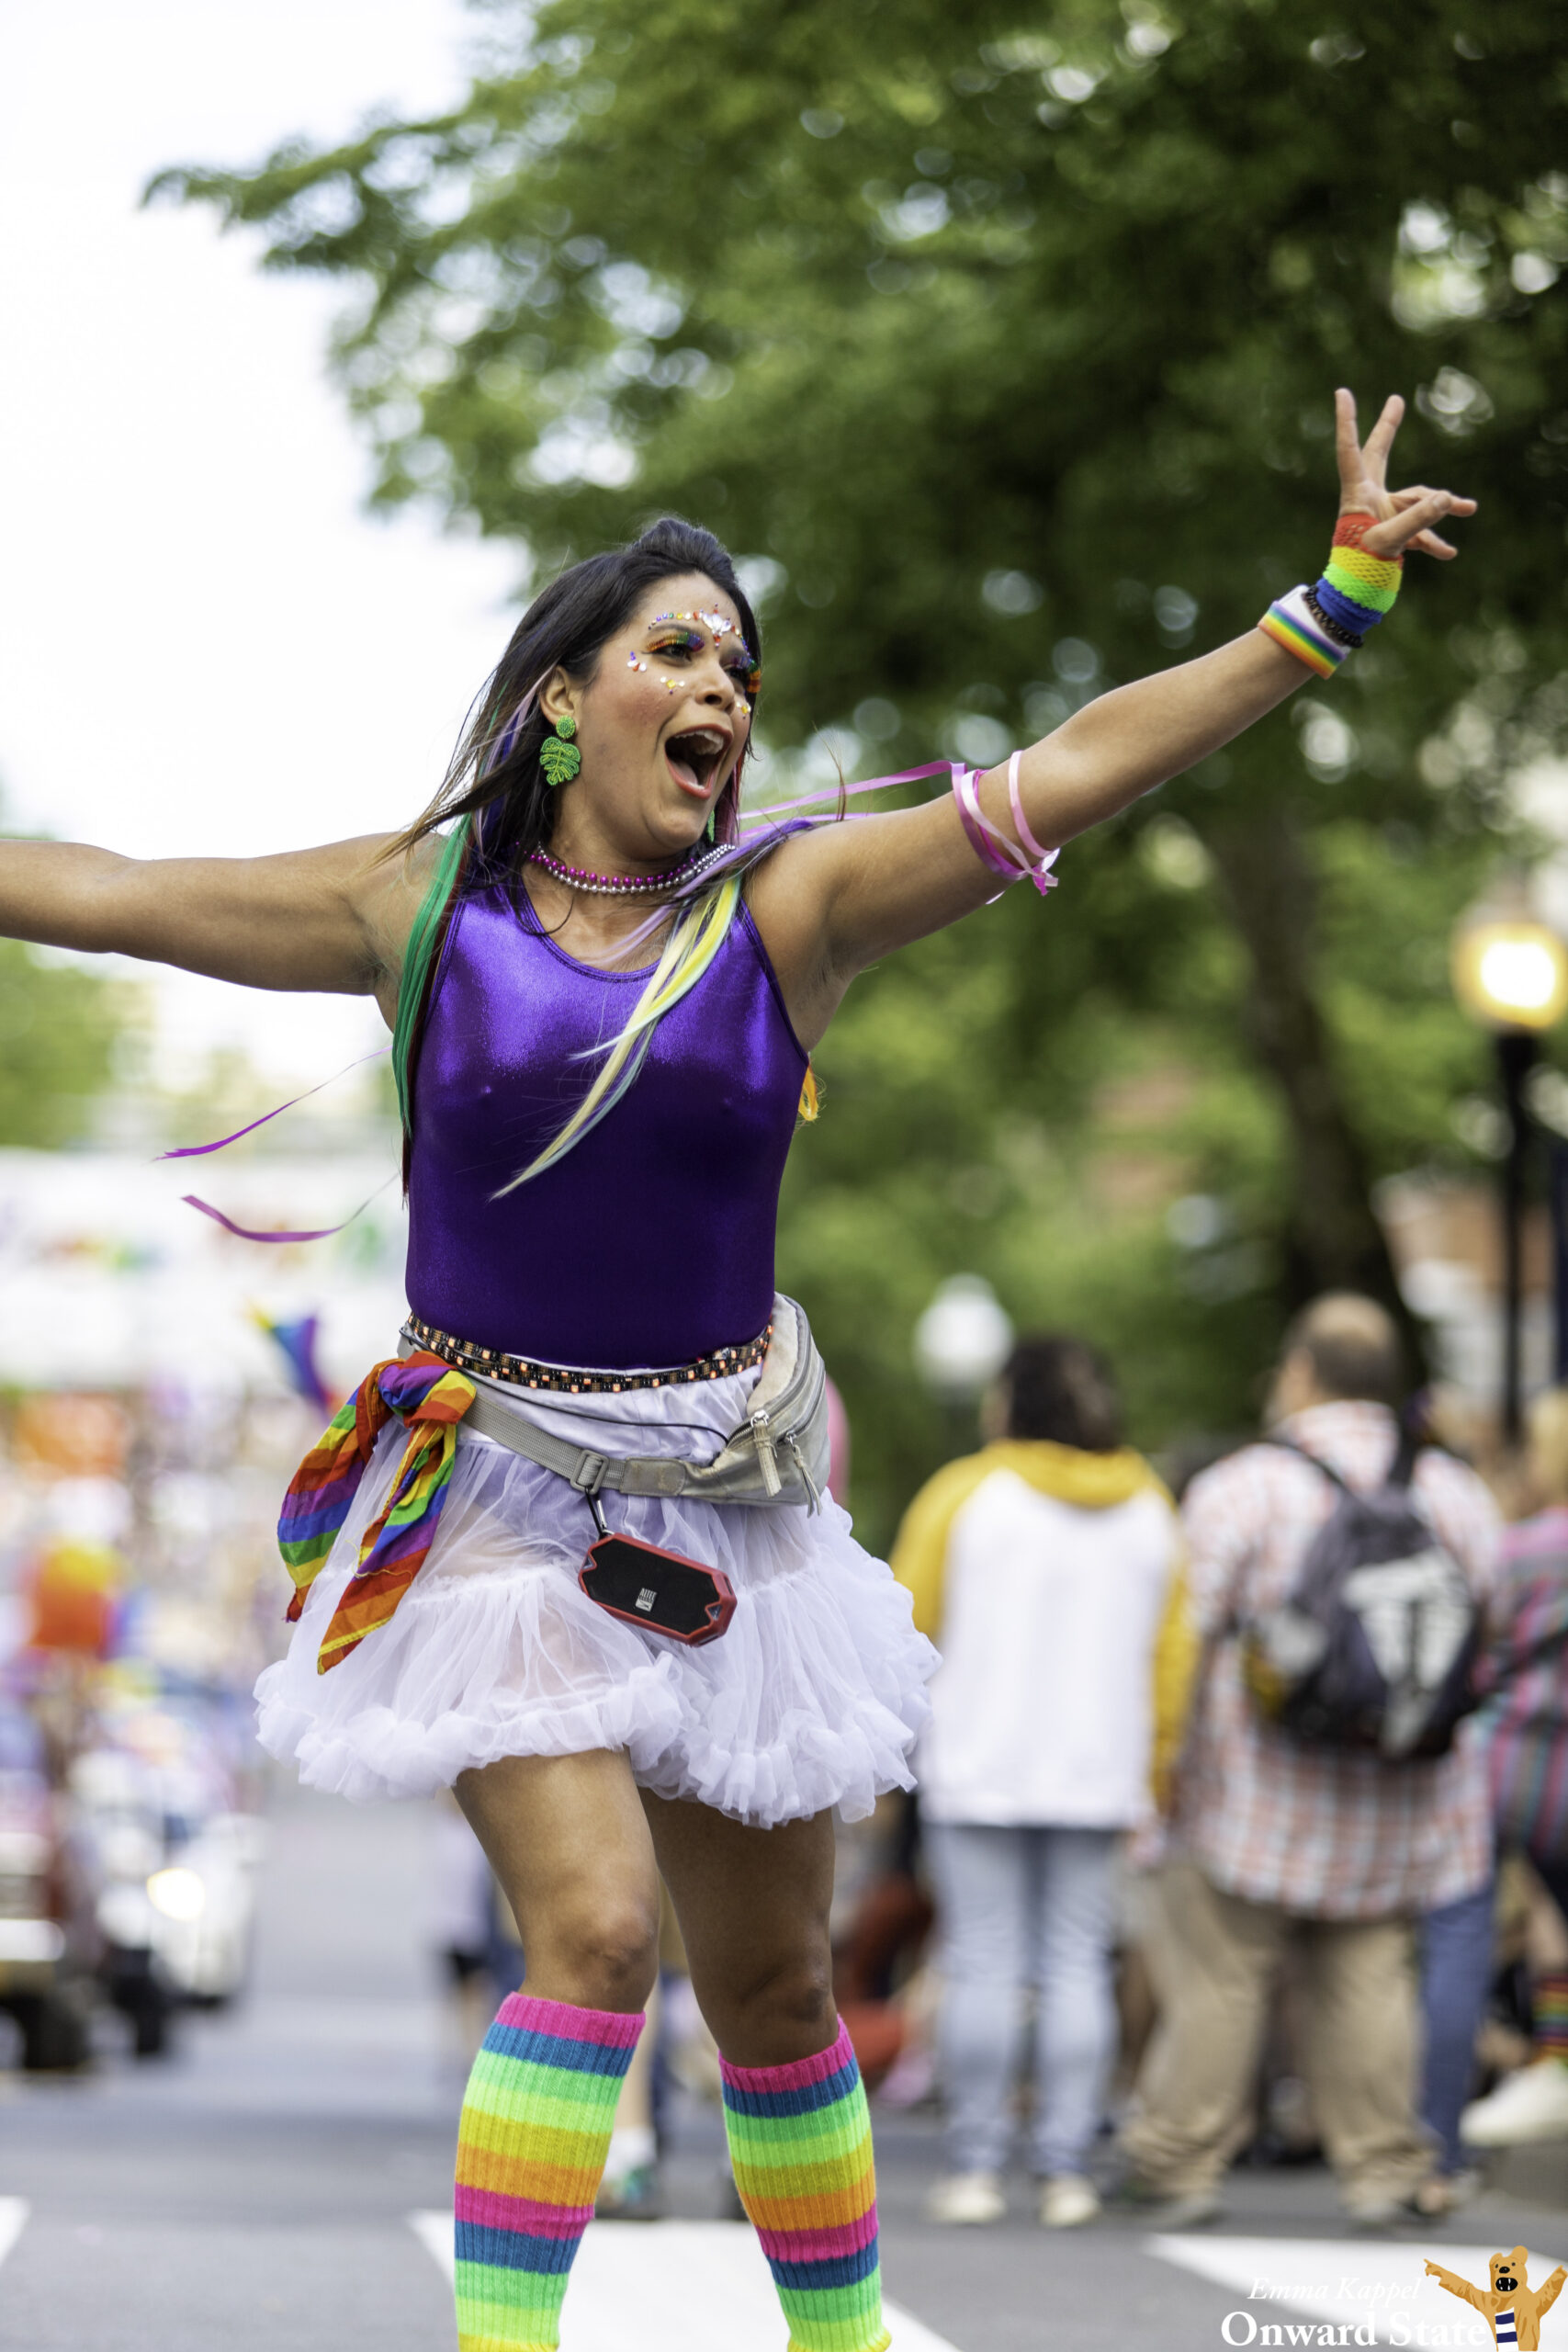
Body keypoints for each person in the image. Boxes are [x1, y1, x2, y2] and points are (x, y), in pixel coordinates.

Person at [0, 398, 1467, 2351]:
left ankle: (835, 2339)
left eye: (740, 668)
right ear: (560, 700)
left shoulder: (791, 910)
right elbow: (109, 889)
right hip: (493, 1496)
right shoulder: (414, 908)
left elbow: (1064, 769)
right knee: (599, 1933)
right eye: (677, 648)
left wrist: (1320, 612)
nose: (723, 688)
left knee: (773, 1995)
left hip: (732, 1509)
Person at [1121, 1295, 1500, 2228]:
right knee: (1369, 1975)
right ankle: (1383, 2169)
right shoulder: (1454, 1492)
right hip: (1398, 1789)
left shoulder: (1245, 1486)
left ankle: (1177, 2163)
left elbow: (1184, 1638)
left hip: (1256, 1789)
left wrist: (1162, 1768)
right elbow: (1479, 1631)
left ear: (1299, 1372)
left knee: (1223, 1975)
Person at [892, 1335, 1189, 2230]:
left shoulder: (965, 1493)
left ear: (1011, 1402)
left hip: (977, 1762)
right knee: (1075, 1964)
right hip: (1099, 1770)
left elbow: (905, 1619)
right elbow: (1173, 1658)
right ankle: (1066, 2168)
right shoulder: (1152, 1508)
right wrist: (1156, 1766)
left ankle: (977, 2164)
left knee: (981, 1959)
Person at [1459, 1387, 1568, 2150]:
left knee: (1529, 1925)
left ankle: (1549, 2064)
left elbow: (1476, 1661)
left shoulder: (1517, 1550)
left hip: (1520, 1773)